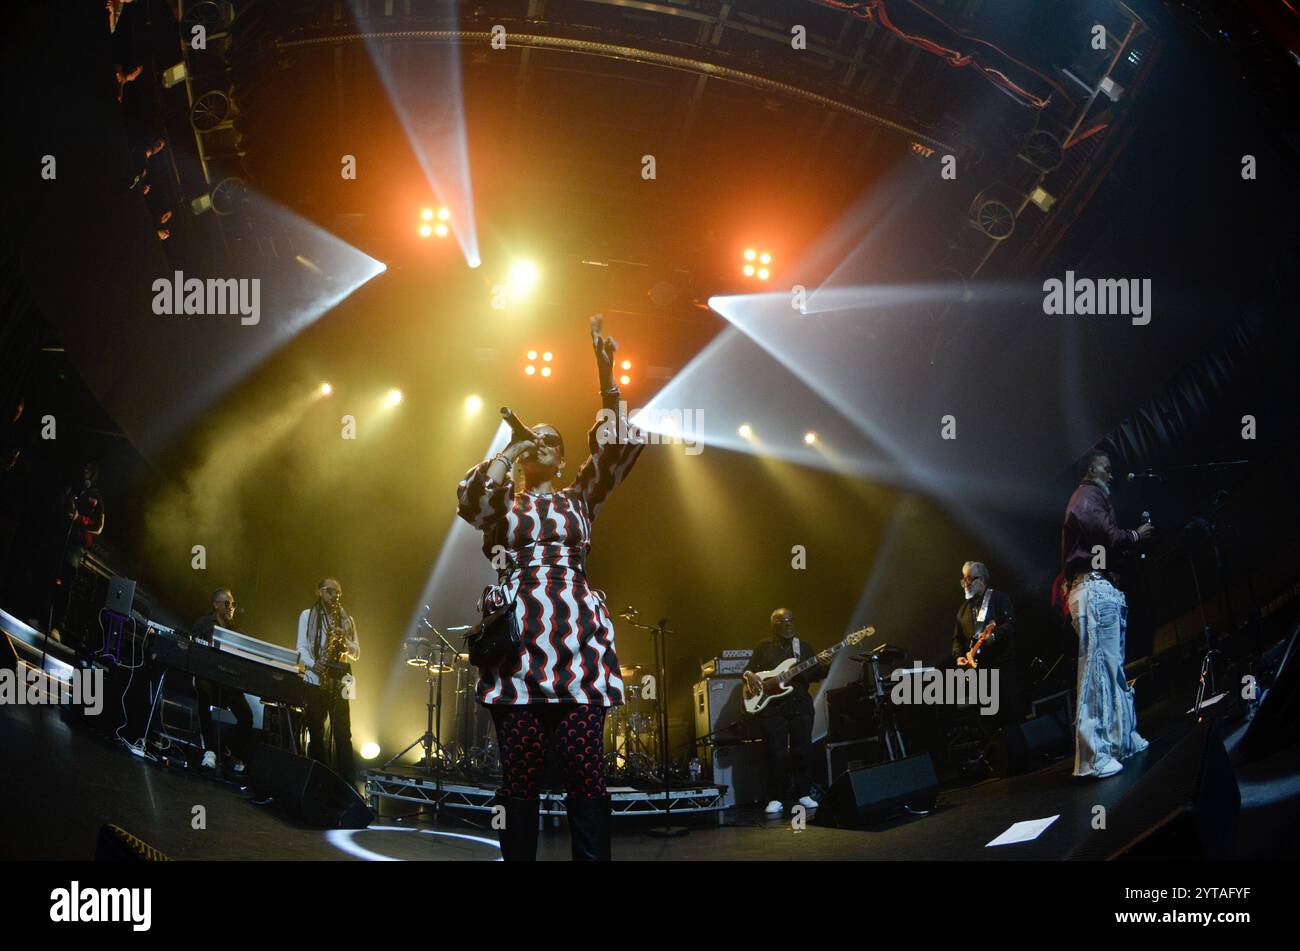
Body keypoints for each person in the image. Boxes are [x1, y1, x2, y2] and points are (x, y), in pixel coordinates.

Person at [456, 318, 643, 860]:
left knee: (587, 771)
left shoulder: (579, 498)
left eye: (552, 441)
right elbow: (471, 501)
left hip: (577, 644)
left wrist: (606, 373)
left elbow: (615, 451)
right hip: (518, 645)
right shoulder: (505, 506)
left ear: (563, 459)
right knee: (521, 776)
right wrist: (512, 451)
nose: (543, 443)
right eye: (535, 438)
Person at [1060, 451, 1153, 778]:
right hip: (1093, 588)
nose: (1111, 475)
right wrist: (1135, 536)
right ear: (1090, 469)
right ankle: (1091, 758)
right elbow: (1104, 534)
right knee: (1098, 671)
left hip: (1101, 588)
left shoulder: (1093, 497)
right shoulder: (1086, 496)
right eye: (1107, 469)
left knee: (1111, 670)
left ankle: (1121, 741)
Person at [743, 608, 833, 816]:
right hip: (772, 708)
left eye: (791, 619)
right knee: (776, 753)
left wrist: (824, 665)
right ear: (774, 624)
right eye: (783, 621)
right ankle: (776, 797)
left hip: (800, 705)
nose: (788, 624)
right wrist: (749, 676)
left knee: (803, 750)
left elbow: (814, 676)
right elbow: (747, 669)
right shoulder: (763, 647)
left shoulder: (803, 647)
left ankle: (803, 793)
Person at [296, 578, 359, 781]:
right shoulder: (307, 615)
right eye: (330, 591)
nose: (334, 596)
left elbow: (357, 653)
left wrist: (346, 642)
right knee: (315, 730)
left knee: (343, 733)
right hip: (315, 677)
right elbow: (300, 647)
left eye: (338, 593)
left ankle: (347, 782)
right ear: (319, 592)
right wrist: (313, 664)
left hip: (342, 680)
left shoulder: (347, 620)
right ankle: (318, 778)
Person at [191, 588, 254, 773]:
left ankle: (225, 749)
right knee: (204, 693)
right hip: (208, 678)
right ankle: (210, 750)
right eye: (226, 603)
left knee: (247, 716)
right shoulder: (203, 623)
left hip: (229, 684)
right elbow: (193, 647)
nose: (231, 607)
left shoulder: (237, 631)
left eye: (233, 604)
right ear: (215, 605)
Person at [952, 561, 1020, 725]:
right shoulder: (962, 611)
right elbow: (957, 640)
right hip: (979, 674)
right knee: (988, 722)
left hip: (1002, 668)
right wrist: (959, 656)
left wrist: (994, 635)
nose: (966, 583)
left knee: (1010, 718)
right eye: (964, 579)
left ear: (982, 580)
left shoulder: (998, 598)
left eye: (970, 578)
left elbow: (1010, 624)